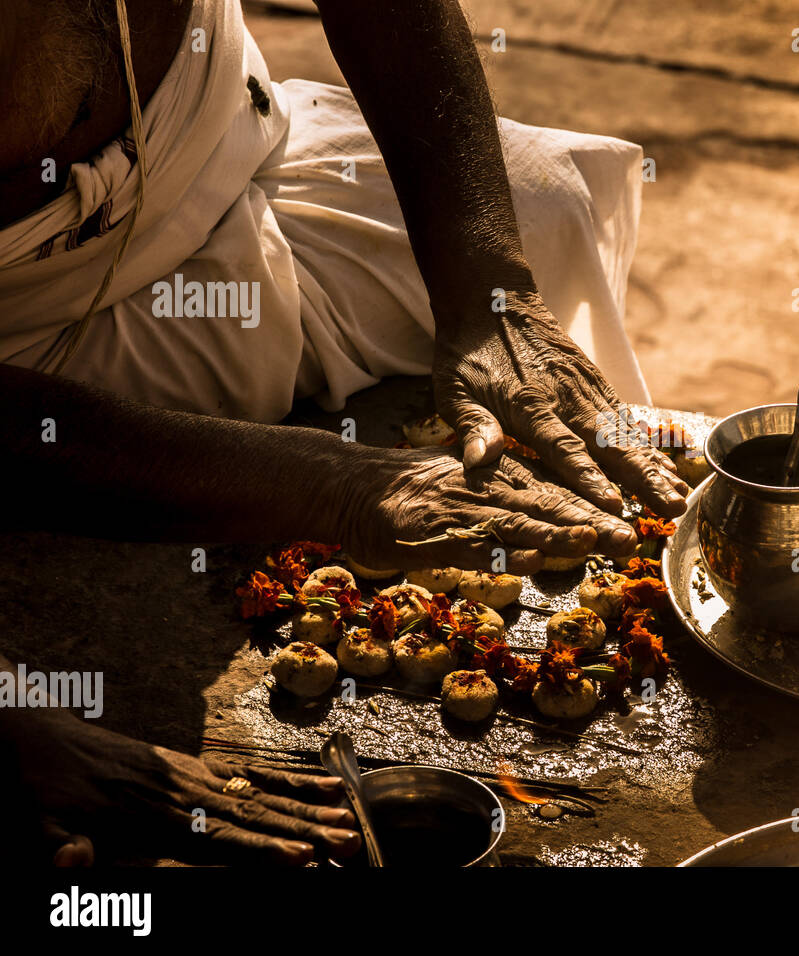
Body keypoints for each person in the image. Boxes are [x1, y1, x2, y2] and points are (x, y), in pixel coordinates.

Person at [0, 0, 688, 864]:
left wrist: (486, 288)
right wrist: (329, 483)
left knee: (542, 204)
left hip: (224, 140)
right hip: (31, 322)